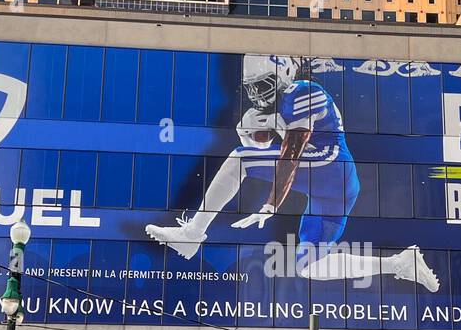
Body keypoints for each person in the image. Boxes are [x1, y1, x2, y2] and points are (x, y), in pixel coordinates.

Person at [145, 55, 440, 292]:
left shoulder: (303, 91)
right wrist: (254, 132)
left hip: (331, 166)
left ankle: (193, 233)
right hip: (333, 189)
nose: (257, 95)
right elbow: (272, 148)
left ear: (284, 73)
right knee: (309, 266)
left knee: (239, 160)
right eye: (252, 89)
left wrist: (271, 203)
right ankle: (400, 264)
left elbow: (291, 153)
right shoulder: (278, 106)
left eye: (263, 85)